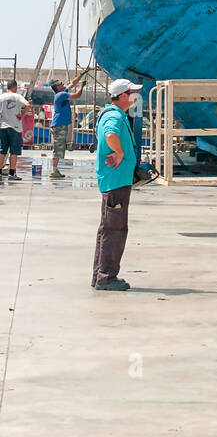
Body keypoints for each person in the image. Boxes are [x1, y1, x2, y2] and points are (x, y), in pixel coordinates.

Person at [92, 79, 141, 292]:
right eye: (132, 93)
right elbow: (110, 134)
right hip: (116, 181)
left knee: (107, 228)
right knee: (115, 229)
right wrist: (120, 152)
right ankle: (106, 277)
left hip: (115, 180)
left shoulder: (113, 114)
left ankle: (100, 275)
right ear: (122, 96)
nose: (134, 97)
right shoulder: (114, 116)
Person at [49, 72, 87, 179]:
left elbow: (72, 83)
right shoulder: (61, 95)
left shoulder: (62, 92)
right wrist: (82, 87)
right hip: (59, 125)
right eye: (61, 83)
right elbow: (77, 95)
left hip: (60, 124)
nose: (63, 84)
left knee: (60, 147)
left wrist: (80, 75)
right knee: (58, 148)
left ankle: (55, 169)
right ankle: (54, 170)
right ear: (57, 87)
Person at [0, 81, 29, 182]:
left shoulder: (1, 97)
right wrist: (22, 115)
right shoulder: (17, 96)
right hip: (15, 126)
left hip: (3, 126)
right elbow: (27, 105)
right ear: (15, 87)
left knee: (2, 150)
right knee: (14, 151)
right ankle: (11, 173)